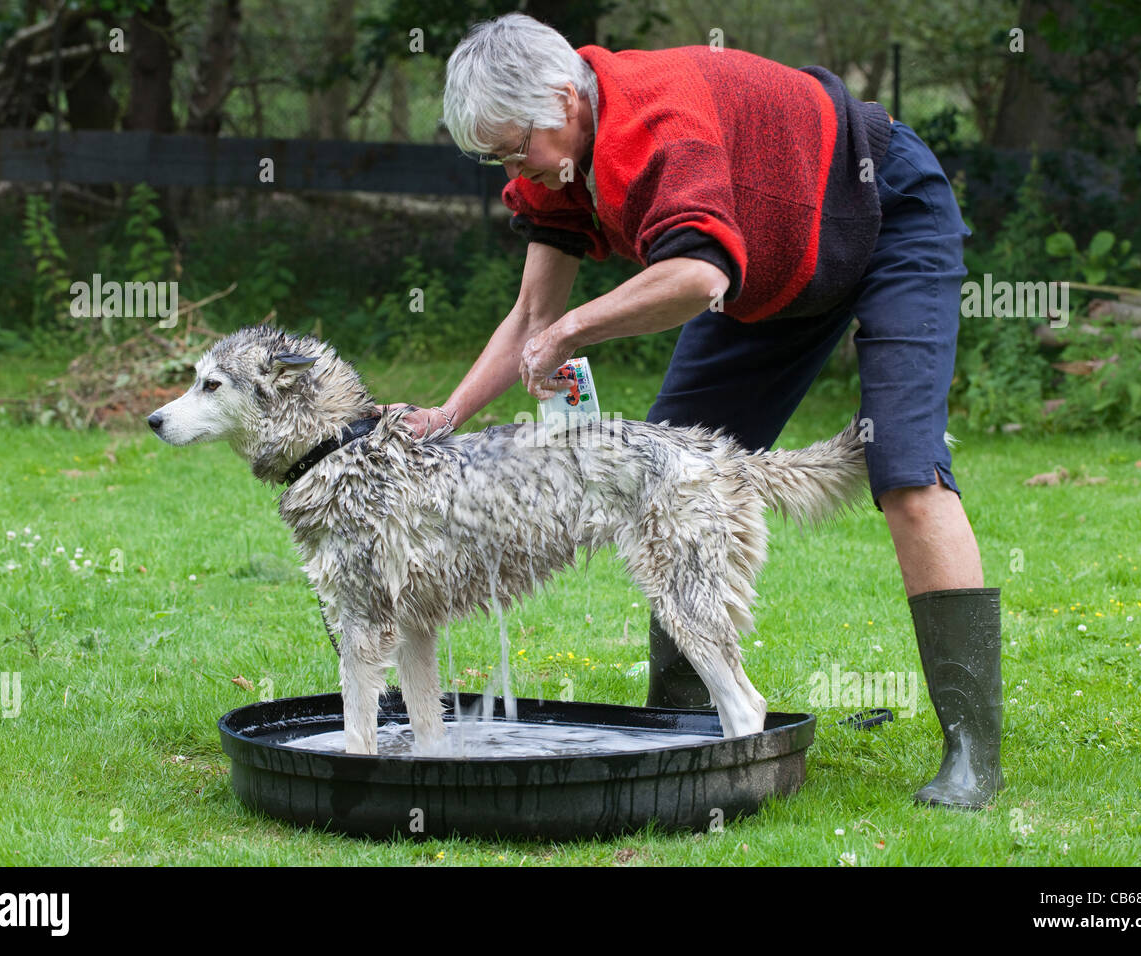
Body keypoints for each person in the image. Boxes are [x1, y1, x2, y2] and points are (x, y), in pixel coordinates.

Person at [389, 12, 1002, 808]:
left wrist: (579, 328)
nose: (518, 168)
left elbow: (698, 278)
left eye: (516, 147)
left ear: (562, 99)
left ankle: (971, 755)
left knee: (907, 472)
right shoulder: (562, 167)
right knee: (663, 484)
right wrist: (448, 413)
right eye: (501, 156)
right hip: (775, 271)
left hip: (882, 211)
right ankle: (684, 723)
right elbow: (533, 316)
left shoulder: (657, 120)